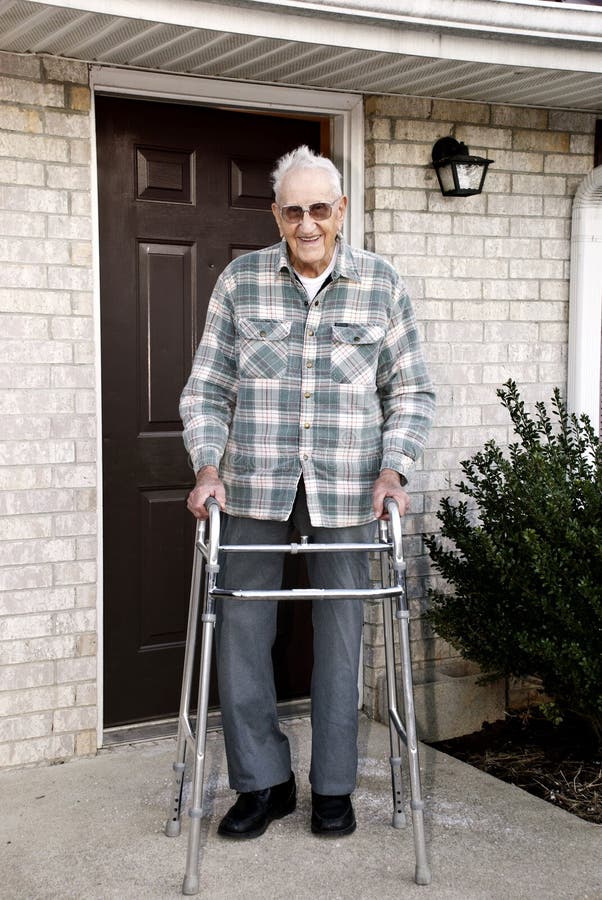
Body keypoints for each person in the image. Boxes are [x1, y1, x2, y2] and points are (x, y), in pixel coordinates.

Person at [180, 145, 434, 840]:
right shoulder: (241, 281)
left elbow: (409, 391)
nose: (307, 223)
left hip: (350, 487)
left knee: (342, 636)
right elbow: (208, 388)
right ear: (276, 215)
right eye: (293, 211)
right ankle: (262, 783)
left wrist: (395, 468)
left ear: (341, 210)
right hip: (254, 485)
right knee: (240, 632)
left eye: (319, 208)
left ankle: (334, 787)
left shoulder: (382, 285)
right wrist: (207, 467)